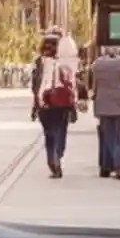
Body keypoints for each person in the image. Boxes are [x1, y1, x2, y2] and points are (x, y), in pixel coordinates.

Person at [32, 33, 78, 178]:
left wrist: (35, 106)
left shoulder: (39, 62)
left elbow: (35, 85)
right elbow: (72, 83)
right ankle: (58, 153)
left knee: (49, 134)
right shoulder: (65, 62)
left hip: (44, 101)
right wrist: (74, 105)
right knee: (60, 130)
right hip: (62, 102)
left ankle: (52, 159)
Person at [92, 47, 120, 179]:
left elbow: (93, 85)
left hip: (103, 103)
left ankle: (106, 166)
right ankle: (119, 166)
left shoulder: (97, 64)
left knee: (106, 137)